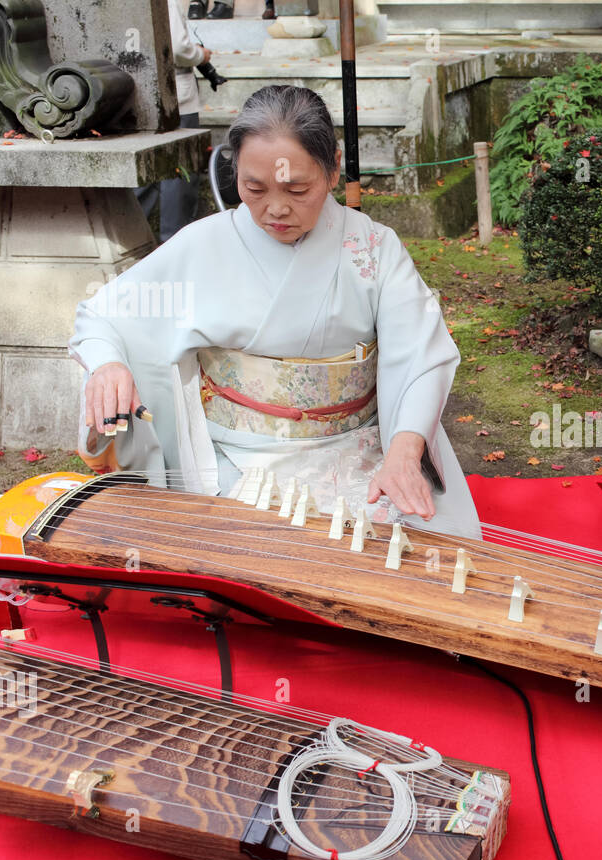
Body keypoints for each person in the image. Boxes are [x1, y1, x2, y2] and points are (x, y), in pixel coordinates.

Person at [70, 84, 481, 538]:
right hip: (235, 458)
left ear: (334, 169)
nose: (276, 208)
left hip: (358, 449)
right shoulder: (205, 245)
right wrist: (108, 364)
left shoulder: (372, 249)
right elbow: (103, 315)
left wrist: (404, 454)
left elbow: (423, 354)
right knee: (253, 557)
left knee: (414, 555)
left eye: (297, 188)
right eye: (255, 188)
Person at [137, 0, 211, 243]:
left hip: (140, 94)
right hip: (176, 94)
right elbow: (178, 47)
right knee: (181, 169)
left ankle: (135, 234)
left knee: (143, 168)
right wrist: (200, 55)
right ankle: (175, 239)